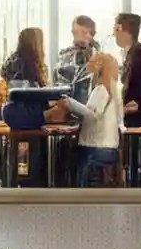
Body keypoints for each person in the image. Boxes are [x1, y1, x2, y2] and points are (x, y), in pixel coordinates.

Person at [50, 51, 122, 187]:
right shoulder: (111, 90)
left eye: (92, 61)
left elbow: (92, 115)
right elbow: (98, 121)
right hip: (107, 148)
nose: (87, 64)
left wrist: (70, 104)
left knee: (63, 155)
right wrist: (74, 128)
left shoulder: (102, 90)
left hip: (96, 148)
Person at [55, 15, 102, 103]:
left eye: (83, 32)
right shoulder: (65, 54)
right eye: (75, 32)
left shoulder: (98, 54)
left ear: (92, 34)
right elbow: (63, 78)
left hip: (94, 105)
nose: (79, 36)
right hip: (70, 103)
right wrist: (86, 70)